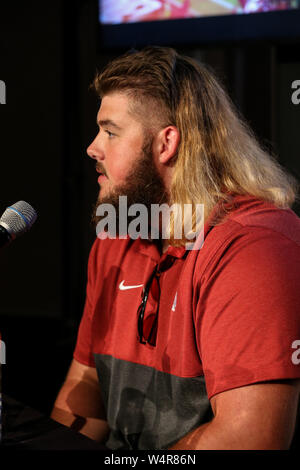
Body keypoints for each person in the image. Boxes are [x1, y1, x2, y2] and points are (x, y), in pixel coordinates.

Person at [50, 46, 300, 450]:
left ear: (166, 144)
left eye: (110, 132)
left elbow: (250, 439)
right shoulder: (117, 238)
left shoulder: (254, 247)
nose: (93, 148)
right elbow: (87, 385)